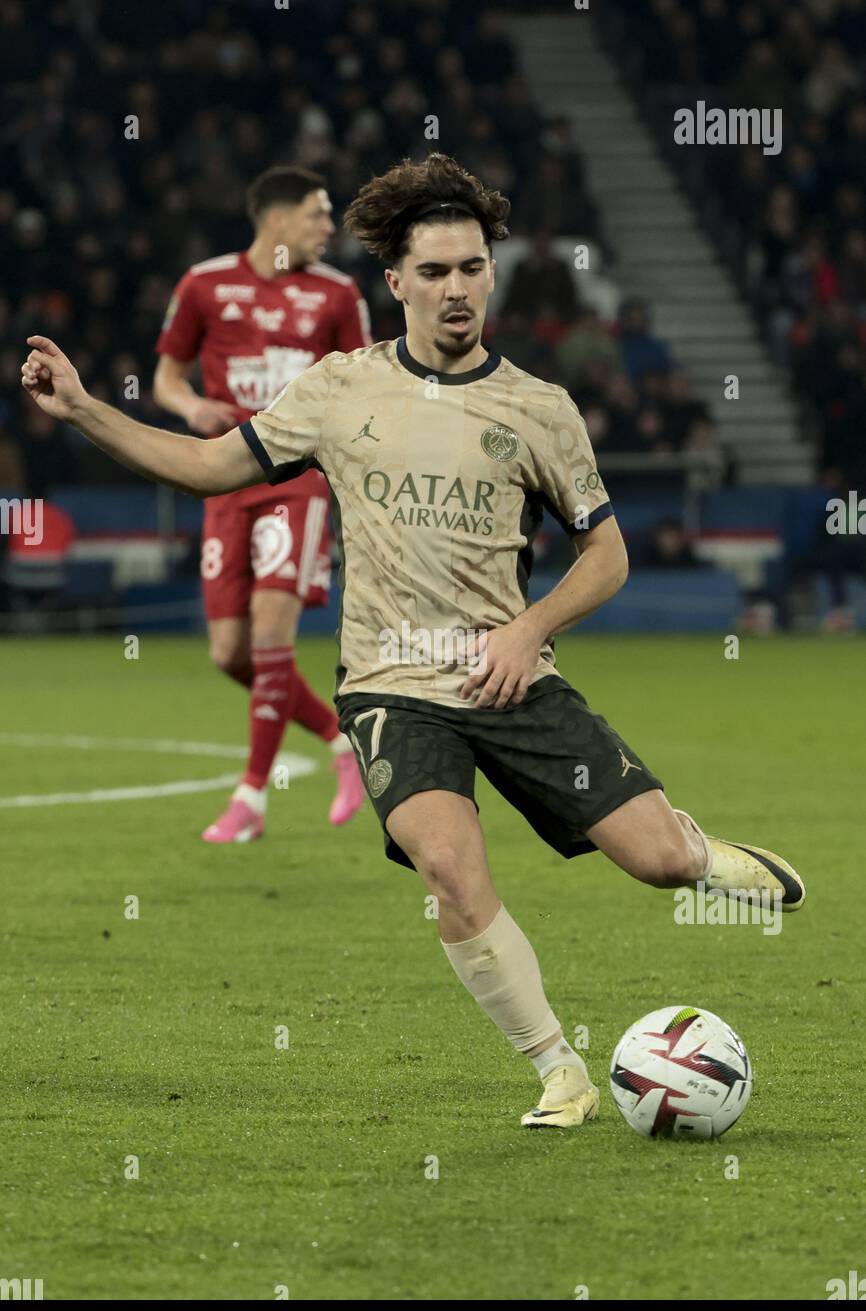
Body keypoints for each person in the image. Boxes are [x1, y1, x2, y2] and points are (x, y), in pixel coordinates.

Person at [21, 153, 805, 1130]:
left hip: (511, 680)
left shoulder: (538, 408)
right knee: (445, 864)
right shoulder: (337, 389)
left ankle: (700, 855)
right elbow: (211, 466)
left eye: (471, 268)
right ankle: (558, 1069)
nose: (455, 289)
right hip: (392, 685)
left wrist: (528, 628)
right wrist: (87, 408)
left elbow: (605, 558)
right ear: (393, 283)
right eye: (432, 272)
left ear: (490, 273)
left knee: (652, 864)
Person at [153, 165, 371, 842]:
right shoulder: (204, 284)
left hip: (293, 483)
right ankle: (343, 741)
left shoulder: (337, 295)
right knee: (230, 653)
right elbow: (165, 378)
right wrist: (191, 406)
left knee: (272, 639)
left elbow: (363, 389)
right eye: (317, 214)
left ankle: (249, 799)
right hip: (222, 480)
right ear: (275, 220)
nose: (328, 227)